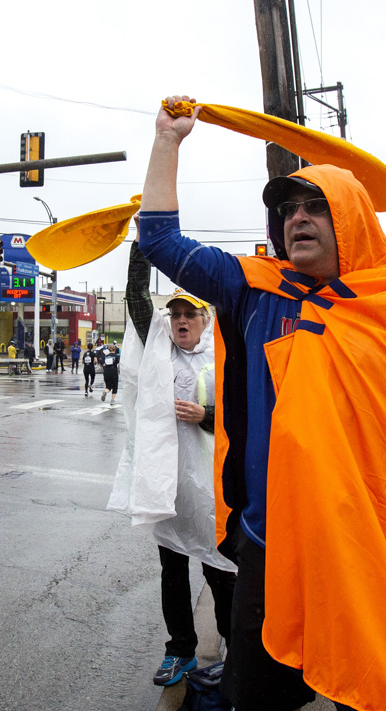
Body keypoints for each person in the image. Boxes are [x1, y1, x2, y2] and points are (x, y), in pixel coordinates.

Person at [139, 95, 386, 711]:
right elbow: (159, 238)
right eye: (287, 209)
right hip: (271, 546)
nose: (297, 218)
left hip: (370, 553)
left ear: (351, 219)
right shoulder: (253, 291)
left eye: (315, 206)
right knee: (264, 706)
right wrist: (167, 141)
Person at [119, 237, 238, 686]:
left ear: (207, 319)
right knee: (172, 571)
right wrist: (142, 240)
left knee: (220, 570)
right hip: (168, 487)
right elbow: (135, 295)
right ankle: (180, 651)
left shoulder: (226, 355)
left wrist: (206, 415)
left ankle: (234, 654)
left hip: (211, 488)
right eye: (175, 314)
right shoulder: (158, 350)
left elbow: (249, 413)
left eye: (190, 313)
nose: (181, 320)